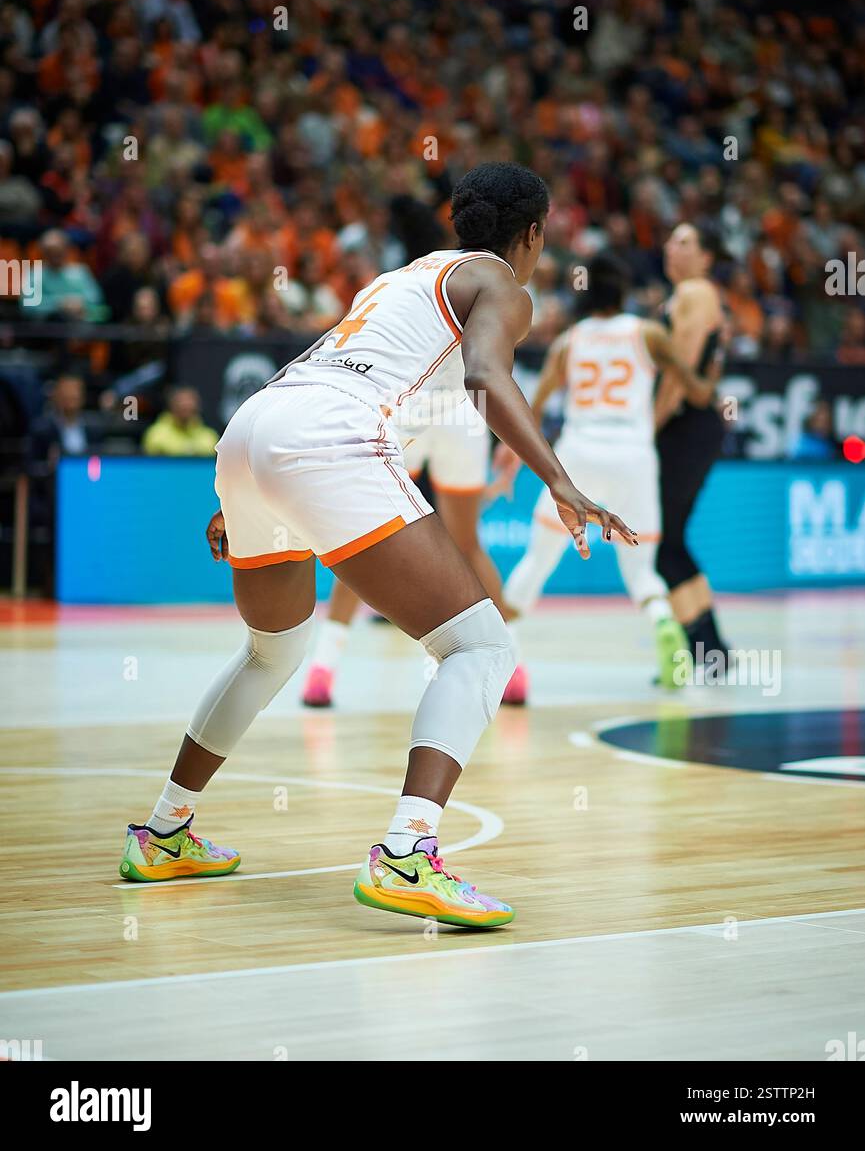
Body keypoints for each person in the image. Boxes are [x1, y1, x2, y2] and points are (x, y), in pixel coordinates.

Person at [119, 162, 637, 929]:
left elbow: (321, 364)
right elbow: (487, 377)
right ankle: (406, 854)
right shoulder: (502, 285)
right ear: (532, 234)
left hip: (258, 425)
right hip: (330, 438)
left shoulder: (398, 278)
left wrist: (242, 492)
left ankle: (163, 832)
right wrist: (556, 479)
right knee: (480, 647)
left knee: (270, 653)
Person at [497, 254, 717, 693]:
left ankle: (507, 651)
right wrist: (709, 373)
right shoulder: (649, 334)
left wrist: (508, 459)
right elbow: (696, 392)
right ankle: (661, 620)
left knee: (538, 560)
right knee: (641, 572)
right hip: (634, 456)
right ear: (625, 293)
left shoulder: (569, 341)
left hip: (579, 456)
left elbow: (532, 407)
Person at [301, 388, 522, 707]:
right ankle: (515, 668)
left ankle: (322, 667)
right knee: (466, 544)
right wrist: (510, 437)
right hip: (462, 404)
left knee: (365, 538)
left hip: (409, 398)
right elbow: (492, 366)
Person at [654, 222, 729, 668]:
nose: (670, 247)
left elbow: (678, 370)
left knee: (663, 542)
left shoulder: (696, 291)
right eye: (670, 239)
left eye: (684, 240)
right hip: (691, 425)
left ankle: (705, 648)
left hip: (683, 426)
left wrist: (650, 425)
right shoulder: (689, 295)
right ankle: (711, 648)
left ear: (706, 258)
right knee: (673, 539)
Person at [141, 386, 218, 456]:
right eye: (182, 407)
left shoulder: (210, 436)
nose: (186, 409)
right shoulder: (155, 433)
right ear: (172, 407)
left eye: (189, 408)